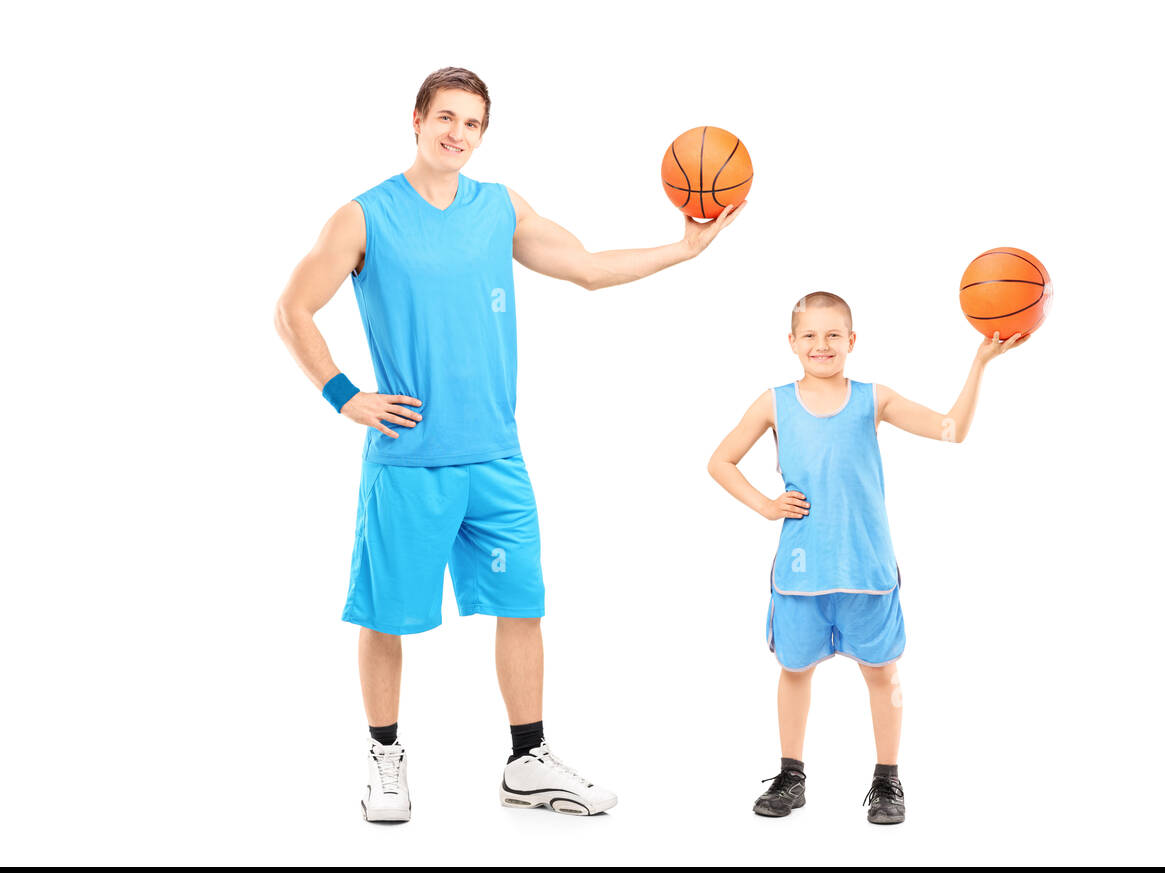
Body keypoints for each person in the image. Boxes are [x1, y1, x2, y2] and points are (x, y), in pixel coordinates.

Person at [274, 67, 744, 822]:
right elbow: (293, 308)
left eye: (473, 124)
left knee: (521, 605)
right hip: (410, 460)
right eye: (447, 118)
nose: (458, 134)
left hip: (496, 456)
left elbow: (588, 269)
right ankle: (385, 758)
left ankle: (527, 762)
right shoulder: (363, 218)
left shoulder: (499, 208)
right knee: (388, 616)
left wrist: (683, 251)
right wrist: (344, 396)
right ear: (418, 119)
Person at [706, 291, 1028, 822]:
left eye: (833, 334)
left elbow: (953, 429)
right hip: (801, 573)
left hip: (867, 570)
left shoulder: (873, 399)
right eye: (809, 335)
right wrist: (765, 505)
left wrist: (980, 362)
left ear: (852, 341)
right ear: (792, 342)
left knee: (882, 673)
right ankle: (790, 775)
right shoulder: (774, 402)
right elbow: (720, 461)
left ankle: (887, 781)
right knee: (794, 670)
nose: (821, 344)